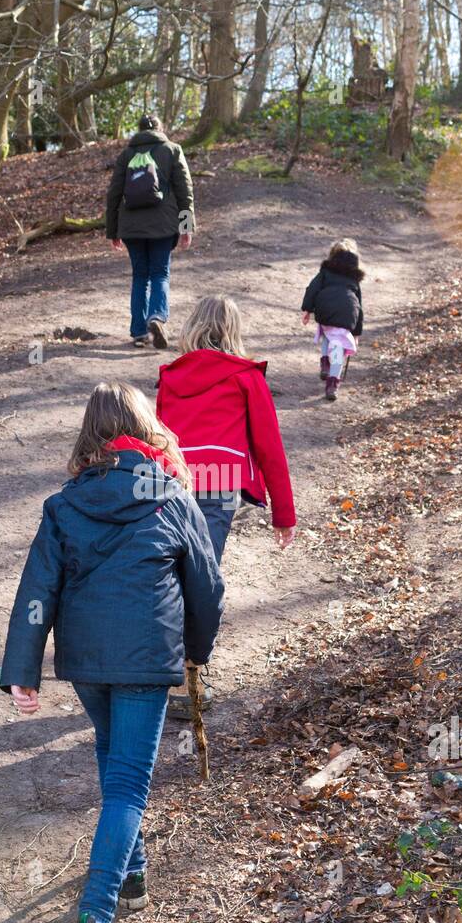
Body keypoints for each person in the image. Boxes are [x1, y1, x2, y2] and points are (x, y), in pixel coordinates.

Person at [0, 381, 223, 923]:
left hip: (88, 661)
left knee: (111, 755)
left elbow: (35, 593)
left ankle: (131, 874)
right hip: (146, 658)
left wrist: (22, 672)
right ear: (144, 427)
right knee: (128, 785)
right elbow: (206, 585)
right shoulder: (168, 494)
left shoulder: (67, 503)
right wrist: (195, 651)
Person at [156, 296, 296, 714]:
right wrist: (283, 514)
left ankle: (164, 665)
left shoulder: (170, 376)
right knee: (201, 576)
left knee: (168, 572)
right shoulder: (246, 377)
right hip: (217, 486)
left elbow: (158, 438)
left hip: (170, 483)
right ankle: (186, 673)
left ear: (193, 327)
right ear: (233, 330)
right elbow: (269, 446)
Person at [105, 113, 195, 350]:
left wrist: (113, 230)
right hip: (163, 224)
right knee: (160, 274)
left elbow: (113, 194)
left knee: (140, 276)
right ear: (160, 128)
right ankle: (156, 316)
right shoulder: (172, 150)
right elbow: (185, 190)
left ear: (139, 129)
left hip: (131, 226)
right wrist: (186, 226)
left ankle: (139, 332)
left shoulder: (126, 155)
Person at [301, 237, 364, 402]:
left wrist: (307, 309)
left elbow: (312, 288)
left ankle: (325, 363)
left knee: (328, 332)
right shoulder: (354, 279)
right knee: (338, 346)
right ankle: (332, 384)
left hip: (326, 309)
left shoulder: (326, 272)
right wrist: (356, 332)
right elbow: (359, 305)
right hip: (347, 312)